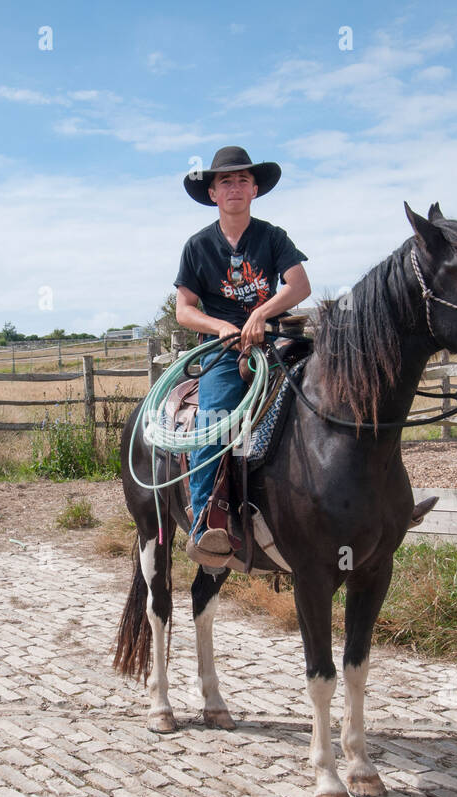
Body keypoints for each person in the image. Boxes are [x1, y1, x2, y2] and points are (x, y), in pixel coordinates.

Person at [174, 146, 311, 566]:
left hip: (275, 341)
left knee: (330, 392)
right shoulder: (198, 246)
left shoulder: (272, 237)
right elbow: (184, 309)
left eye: (242, 181)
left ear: (254, 190)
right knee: (213, 421)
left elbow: (299, 285)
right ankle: (206, 521)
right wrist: (222, 327)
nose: (234, 187)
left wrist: (260, 314)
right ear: (213, 193)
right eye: (225, 182)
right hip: (223, 350)